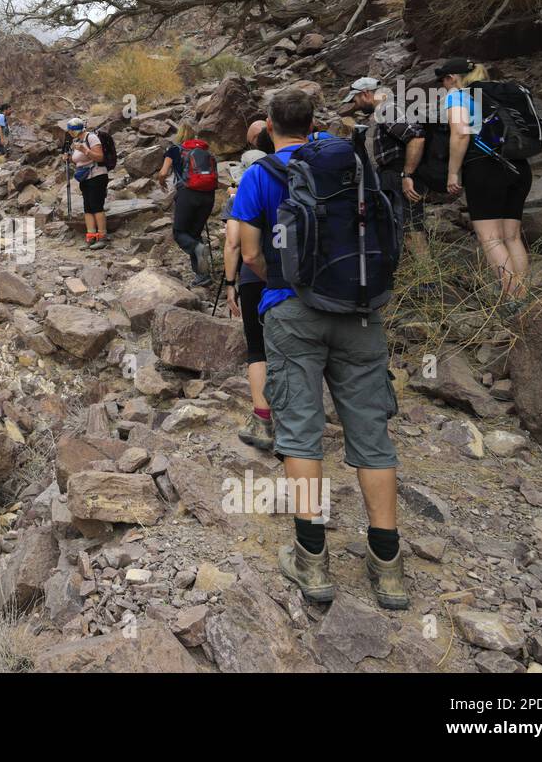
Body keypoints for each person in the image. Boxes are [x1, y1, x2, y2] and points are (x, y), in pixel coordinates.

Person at [230, 87, 408, 610]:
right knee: (372, 434)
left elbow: (249, 251)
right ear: (313, 122)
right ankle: (388, 567)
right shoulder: (348, 162)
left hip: (293, 316)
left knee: (301, 433)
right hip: (359, 310)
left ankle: (312, 558)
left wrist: (286, 283)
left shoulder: (261, 174)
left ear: (268, 124)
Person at [439, 58, 532, 301]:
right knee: (512, 236)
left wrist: (452, 172)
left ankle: (513, 301)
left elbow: (460, 134)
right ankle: (525, 299)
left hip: (486, 169)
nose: (443, 85)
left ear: (452, 78)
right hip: (519, 167)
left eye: (443, 80)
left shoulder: (457, 95)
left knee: (490, 237)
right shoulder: (497, 95)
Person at [221, 146, 273, 450]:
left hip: (254, 278)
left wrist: (231, 283)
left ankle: (263, 419)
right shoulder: (287, 184)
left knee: (257, 348)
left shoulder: (240, 196)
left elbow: (233, 244)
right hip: (288, 276)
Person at [346, 76, 430, 257]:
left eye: (356, 100)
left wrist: (407, 175)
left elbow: (416, 137)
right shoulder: (388, 108)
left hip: (401, 174)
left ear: (366, 93)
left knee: (411, 228)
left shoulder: (388, 109)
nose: (357, 105)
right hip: (395, 174)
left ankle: (428, 281)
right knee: (403, 226)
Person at [156, 123, 215, 286]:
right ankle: (203, 276)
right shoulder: (204, 151)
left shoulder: (174, 149)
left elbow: (163, 172)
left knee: (180, 233)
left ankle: (197, 249)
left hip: (188, 195)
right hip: (209, 195)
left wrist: (161, 182)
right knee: (194, 234)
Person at [64, 118, 109, 249]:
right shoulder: (76, 141)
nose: (70, 133)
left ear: (77, 129)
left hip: (97, 175)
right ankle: (91, 236)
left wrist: (85, 150)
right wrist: (68, 158)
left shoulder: (92, 137)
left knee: (96, 206)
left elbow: (100, 157)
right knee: (88, 207)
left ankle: (102, 237)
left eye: (72, 130)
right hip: (84, 177)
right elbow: (78, 161)